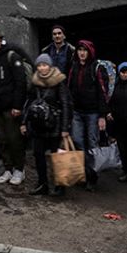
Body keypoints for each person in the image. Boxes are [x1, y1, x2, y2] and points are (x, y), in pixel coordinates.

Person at [0, 31, 31, 186]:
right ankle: (8, 168)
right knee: (2, 140)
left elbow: (20, 83)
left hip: (11, 108)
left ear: (0, 41)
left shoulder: (11, 56)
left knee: (14, 139)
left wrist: (17, 106)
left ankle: (19, 169)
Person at [25, 53, 73, 197]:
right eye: (39, 65)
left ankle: (60, 186)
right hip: (38, 126)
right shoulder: (34, 82)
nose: (42, 68)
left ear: (50, 66)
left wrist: (65, 128)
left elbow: (66, 105)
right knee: (38, 155)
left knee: (57, 156)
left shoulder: (59, 82)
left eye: (44, 65)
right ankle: (42, 184)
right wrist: (24, 122)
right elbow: (29, 102)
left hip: (55, 126)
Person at [65, 40, 111, 191]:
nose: (81, 53)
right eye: (79, 50)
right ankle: (83, 173)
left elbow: (103, 93)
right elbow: (69, 89)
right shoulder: (74, 67)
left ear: (89, 52)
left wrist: (102, 115)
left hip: (92, 113)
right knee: (78, 142)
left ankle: (92, 177)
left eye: (84, 50)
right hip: (77, 112)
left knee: (92, 144)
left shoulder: (97, 68)